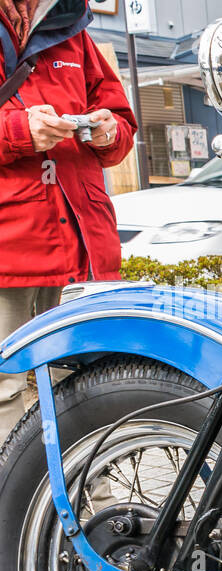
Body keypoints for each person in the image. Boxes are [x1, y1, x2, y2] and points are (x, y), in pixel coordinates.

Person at [0, 0, 136, 438]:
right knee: (3, 392)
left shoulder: (71, 27)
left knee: (88, 386)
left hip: (82, 248)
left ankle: (91, 500)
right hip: (8, 250)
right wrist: (19, 131)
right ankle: (12, 503)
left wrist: (110, 130)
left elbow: (121, 123)